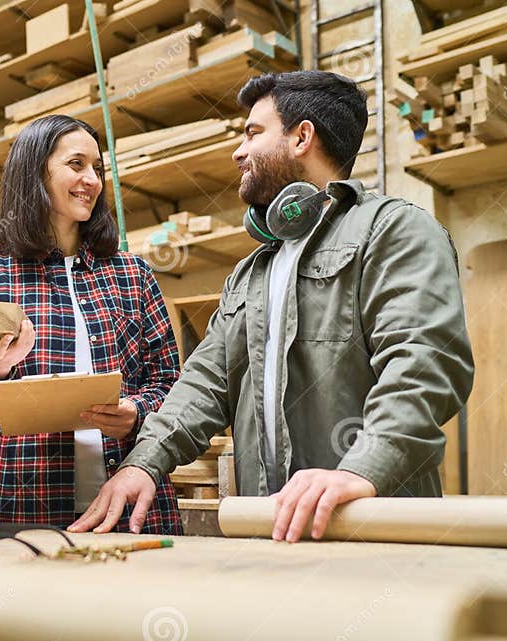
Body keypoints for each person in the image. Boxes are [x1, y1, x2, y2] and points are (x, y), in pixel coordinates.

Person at [70, 70, 474, 540]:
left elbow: (425, 364)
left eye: (253, 133)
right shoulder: (251, 272)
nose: (239, 152)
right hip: (274, 526)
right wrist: (144, 462)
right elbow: (205, 383)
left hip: (373, 526)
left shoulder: (393, 232)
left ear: (302, 137)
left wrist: (361, 468)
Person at [0, 114, 183, 534]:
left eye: (97, 168)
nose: (91, 179)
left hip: (132, 505)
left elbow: (171, 385)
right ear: (36, 171)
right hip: (25, 503)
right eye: (76, 165)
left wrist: (136, 412)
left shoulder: (134, 275)